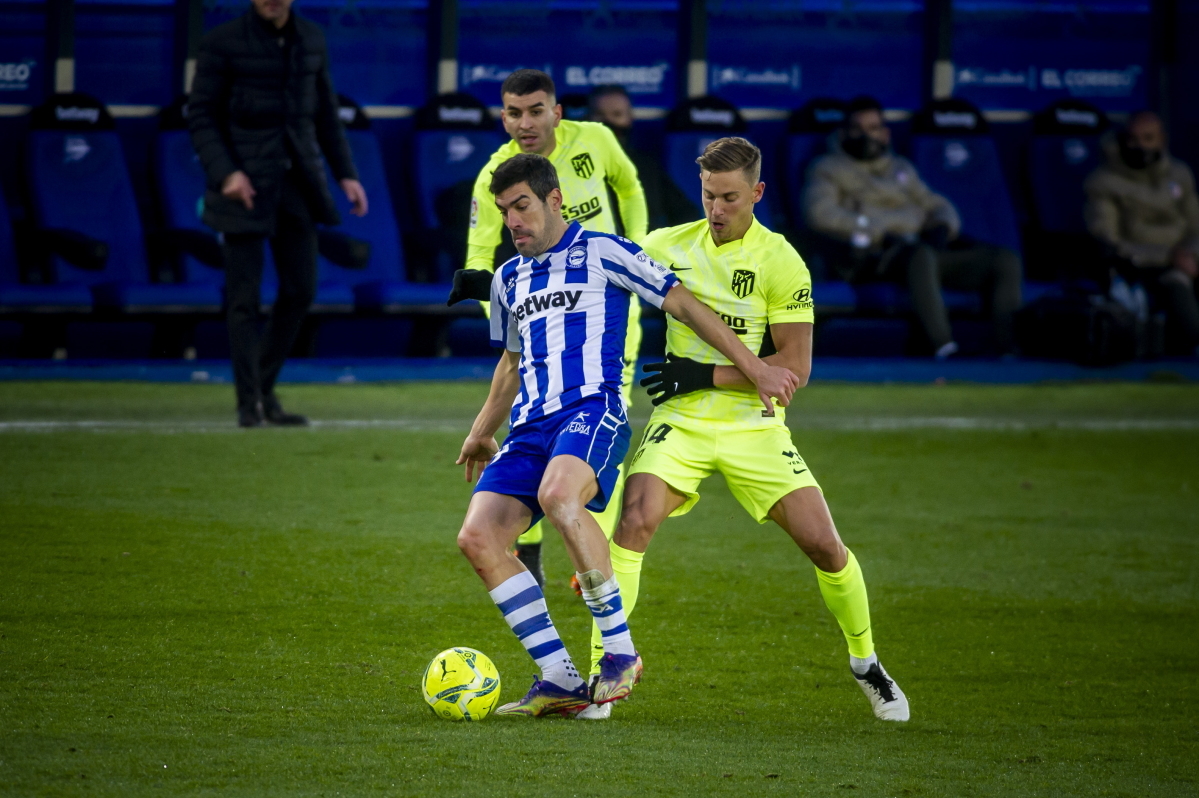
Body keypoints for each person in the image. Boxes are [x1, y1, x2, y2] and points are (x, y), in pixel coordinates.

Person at [455, 153, 799, 717]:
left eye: (522, 206)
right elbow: (510, 365)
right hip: (529, 428)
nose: (513, 221)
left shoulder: (603, 251)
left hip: (592, 412)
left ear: (554, 200)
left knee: (560, 496)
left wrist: (758, 368)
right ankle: (559, 677)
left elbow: (685, 305)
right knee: (477, 537)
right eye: (504, 211)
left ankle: (619, 652)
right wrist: (478, 433)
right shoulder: (507, 280)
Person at [577, 137, 909, 722]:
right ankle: (605, 675)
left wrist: (702, 372)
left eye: (730, 197)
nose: (716, 208)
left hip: (753, 426)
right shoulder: (666, 246)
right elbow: (597, 267)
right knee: (633, 523)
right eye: (708, 195)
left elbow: (793, 370)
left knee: (824, 548)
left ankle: (866, 663)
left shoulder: (780, 261)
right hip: (680, 420)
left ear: (756, 193)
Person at [456, 69, 648, 586]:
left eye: (536, 110)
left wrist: (640, 243)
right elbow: (477, 255)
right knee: (531, 433)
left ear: (557, 112)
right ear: (503, 118)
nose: (526, 122)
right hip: (543, 336)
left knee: (603, 425)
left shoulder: (597, 140)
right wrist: (516, 325)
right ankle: (535, 549)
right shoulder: (496, 175)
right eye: (514, 113)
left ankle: (594, 555)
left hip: (607, 321)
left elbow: (629, 187)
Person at [189, 0, 368, 427]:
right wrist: (227, 173)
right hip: (242, 188)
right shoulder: (222, 42)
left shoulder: (311, 38)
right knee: (244, 300)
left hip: (297, 184)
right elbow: (200, 116)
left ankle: (263, 390)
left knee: (301, 290)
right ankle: (247, 402)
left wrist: (346, 175)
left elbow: (325, 113)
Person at [803, 95, 1022, 358]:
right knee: (921, 256)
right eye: (857, 129)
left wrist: (943, 225)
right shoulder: (827, 167)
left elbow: (936, 203)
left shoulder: (900, 167)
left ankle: (1005, 349)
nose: (865, 136)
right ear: (844, 132)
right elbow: (820, 213)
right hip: (876, 255)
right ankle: (944, 347)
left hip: (920, 248)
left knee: (1004, 260)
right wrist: (875, 229)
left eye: (872, 129)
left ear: (884, 134)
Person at [1084, 110, 1199, 355]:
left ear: (1162, 140)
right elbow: (1107, 240)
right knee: (1177, 285)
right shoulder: (1103, 181)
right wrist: (1170, 256)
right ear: (1123, 140)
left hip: (1186, 259)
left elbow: (1195, 227)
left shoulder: (1180, 175)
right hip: (1142, 266)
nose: (1140, 146)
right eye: (1133, 140)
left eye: (1148, 139)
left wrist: (1189, 254)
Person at [588, 84, 699, 231]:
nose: (608, 122)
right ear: (588, 117)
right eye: (600, 114)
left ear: (629, 119)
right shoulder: (570, 162)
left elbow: (687, 214)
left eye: (617, 115)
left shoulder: (646, 166)